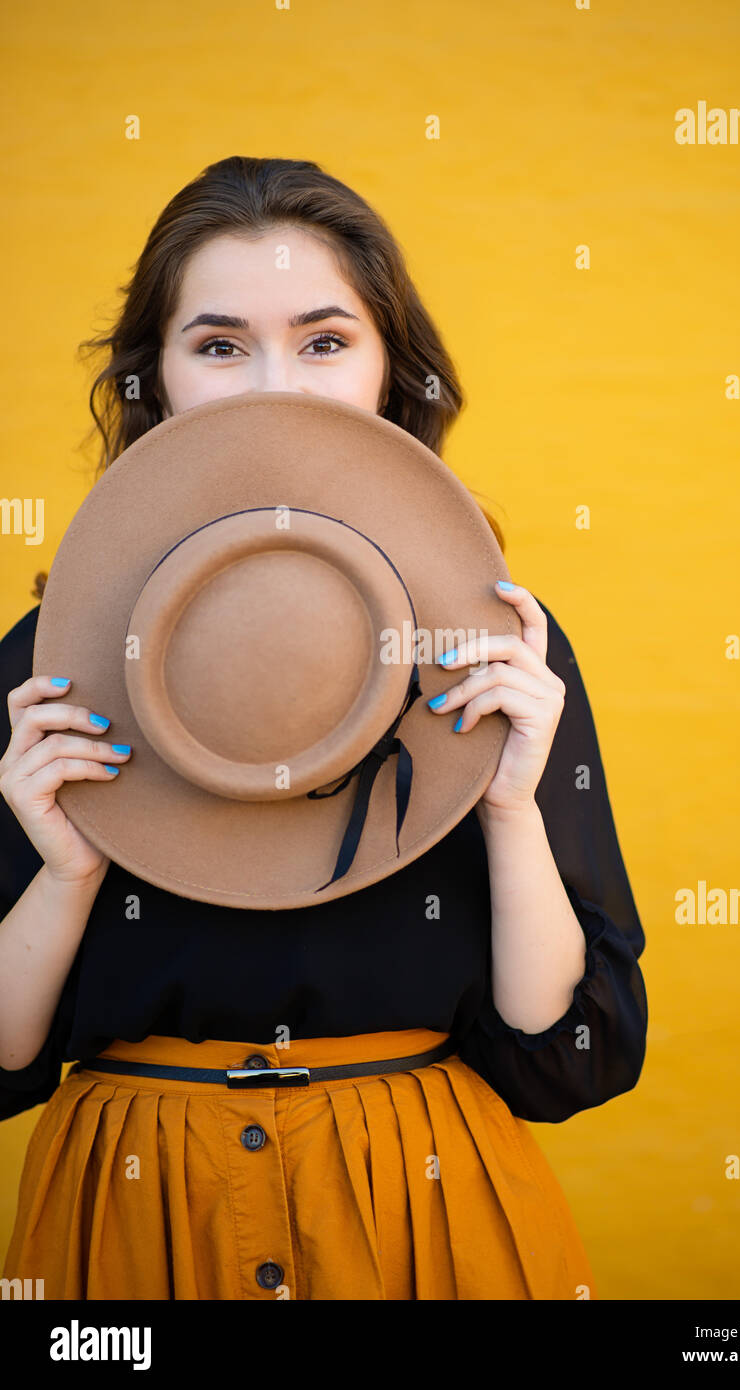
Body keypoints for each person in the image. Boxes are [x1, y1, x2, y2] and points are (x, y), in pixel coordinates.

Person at [0, 155, 647, 1301]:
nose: (273, 384)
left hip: (420, 1211)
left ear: (392, 373)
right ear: (154, 378)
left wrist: (506, 810)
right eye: (217, 345)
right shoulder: (43, 670)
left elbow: (570, 1060)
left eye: (324, 340)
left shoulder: (504, 653)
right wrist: (64, 874)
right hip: (135, 1226)